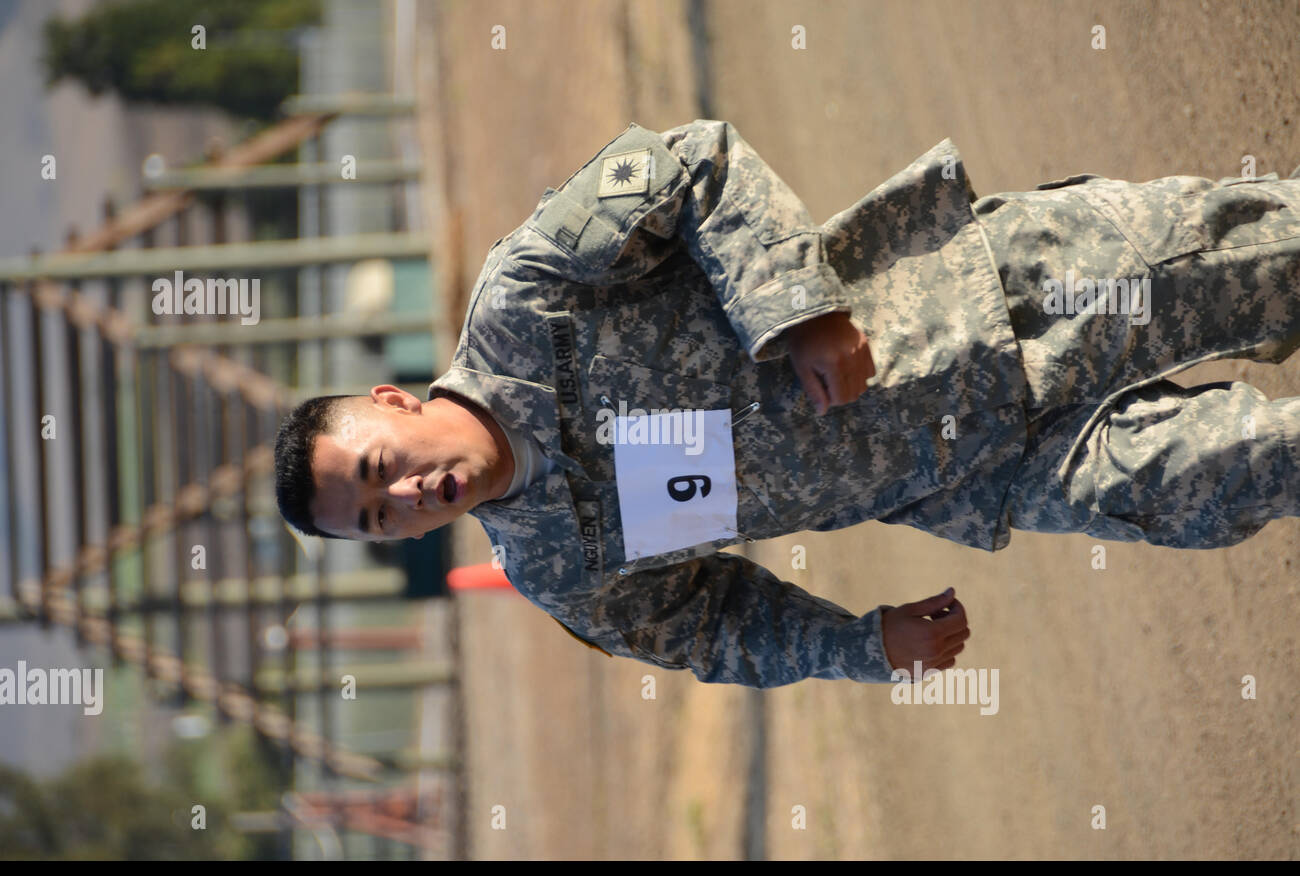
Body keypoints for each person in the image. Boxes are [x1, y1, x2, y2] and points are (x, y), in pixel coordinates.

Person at [274, 119, 1300, 688]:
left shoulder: (524, 296)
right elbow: (716, 627)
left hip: (985, 289)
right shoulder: (557, 566)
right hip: (976, 471)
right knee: (1242, 473)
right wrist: (862, 646)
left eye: (378, 469)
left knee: (1269, 255)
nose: (408, 495)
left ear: (392, 402)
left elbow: (692, 166)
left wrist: (797, 313)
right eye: (380, 518)